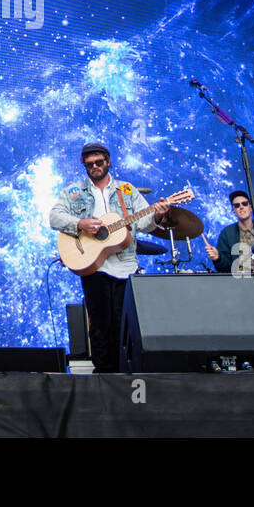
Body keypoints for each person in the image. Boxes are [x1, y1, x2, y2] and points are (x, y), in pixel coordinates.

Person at [49, 143, 169, 373]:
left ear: (108, 162)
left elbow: (143, 222)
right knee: (100, 323)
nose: (94, 166)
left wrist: (158, 215)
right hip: (94, 266)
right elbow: (55, 217)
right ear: (84, 165)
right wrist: (80, 223)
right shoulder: (74, 192)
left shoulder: (126, 190)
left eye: (99, 162)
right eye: (89, 164)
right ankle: (103, 373)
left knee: (122, 323)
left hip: (125, 265)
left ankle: (124, 371)